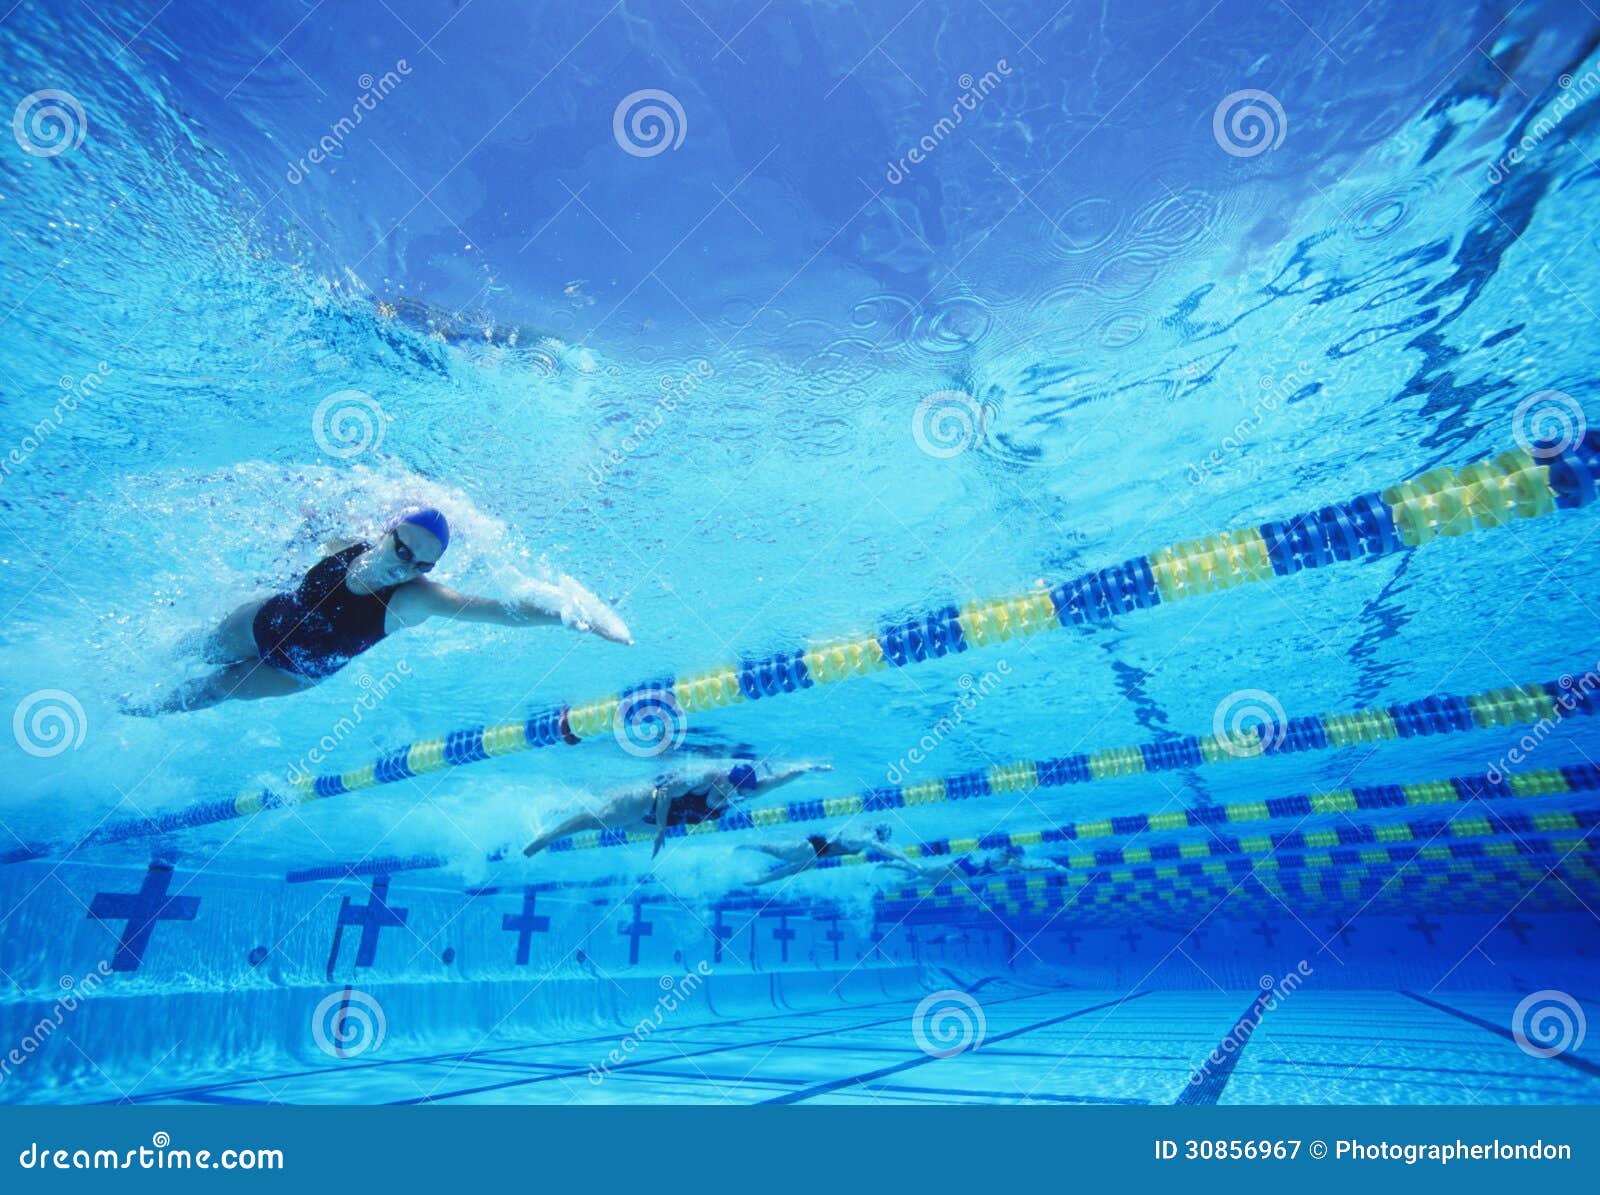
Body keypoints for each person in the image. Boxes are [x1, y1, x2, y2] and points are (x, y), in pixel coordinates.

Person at [134, 505, 630, 712]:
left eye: (420, 563)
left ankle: (137, 710)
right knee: (196, 647)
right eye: (402, 549)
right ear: (386, 534)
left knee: (214, 688)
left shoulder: (415, 598)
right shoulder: (347, 545)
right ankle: (135, 667)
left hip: (292, 670)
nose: (405, 566)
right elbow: (308, 527)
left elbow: (499, 611)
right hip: (261, 620)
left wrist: (572, 616)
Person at [522, 759, 832, 859]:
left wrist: (808, 768)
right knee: (598, 821)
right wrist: (659, 828)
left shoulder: (744, 792)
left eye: (736, 792)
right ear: (723, 779)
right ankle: (547, 836)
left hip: (664, 822)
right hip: (649, 799)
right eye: (728, 788)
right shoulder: (706, 778)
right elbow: (666, 791)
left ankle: (561, 807)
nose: (730, 795)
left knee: (612, 820)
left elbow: (778, 780)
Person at [742, 823, 920, 886]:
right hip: (812, 848)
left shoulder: (860, 832)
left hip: (815, 851)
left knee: (781, 860)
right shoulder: (866, 838)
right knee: (777, 854)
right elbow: (879, 847)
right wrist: (905, 859)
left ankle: (754, 874)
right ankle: (744, 851)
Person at [885, 843, 1070, 885]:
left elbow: (1028, 867)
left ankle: (900, 880)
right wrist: (1054, 867)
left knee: (929, 879)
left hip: (961, 867)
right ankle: (890, 863)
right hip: (960, 871)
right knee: (923, 871)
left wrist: (1052, 866)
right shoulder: (1009, 860)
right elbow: (1028, 868)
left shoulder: (997, 852)